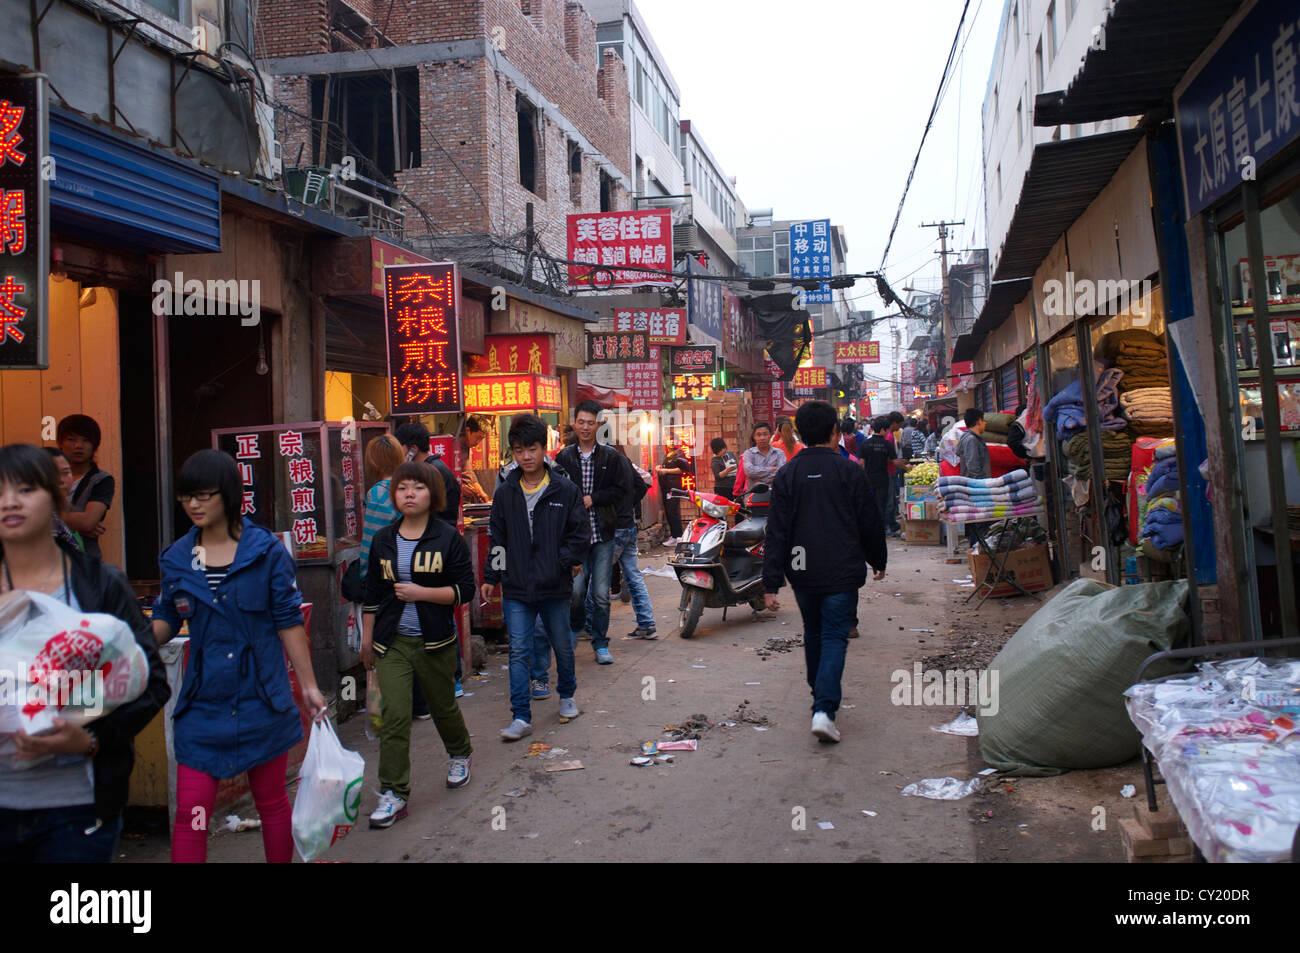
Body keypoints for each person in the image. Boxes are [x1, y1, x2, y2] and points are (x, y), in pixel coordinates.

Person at [152, 450, 327, 863]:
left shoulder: (265, 552)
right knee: (191, 816)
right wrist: (132, 642)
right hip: (202, 706)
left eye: (203, 495)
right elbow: (165, 617)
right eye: (186, 497)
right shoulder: (177, 559)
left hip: (261, 700)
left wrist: (309, 687)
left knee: (271, 806)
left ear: (228, 494)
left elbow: (288, 621)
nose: (193, 505)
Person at [0, 445, 169, 863]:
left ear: (58, 497)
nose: (9, 501)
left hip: (77, 812)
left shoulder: (98, 585)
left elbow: (151, 682)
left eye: (25, 489)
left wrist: (88, 735)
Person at [762, 403, 887, 745]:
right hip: (841, 566)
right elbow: (870, 521)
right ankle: (824, 708)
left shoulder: (788, 474)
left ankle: (820, 696)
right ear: (834, 431)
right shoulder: (849, 471)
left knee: (814, 631)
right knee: (834, 635)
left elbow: (777, 531)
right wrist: (878, 559)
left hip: (802, 568)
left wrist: (770, 582)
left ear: (800, 433)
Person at [361, 461, 476, 828]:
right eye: (402, 488)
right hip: (392, 642)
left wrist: (421, 593)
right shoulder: (383, 540)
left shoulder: (447, 539)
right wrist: (367, 639)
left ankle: (460, 753)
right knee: (394, 716)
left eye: (418, 487)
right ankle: (394, 792)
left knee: (442, 707)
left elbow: (464, 591)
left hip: (435, 641)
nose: (409, 494)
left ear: (432, 495)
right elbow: (373, 593)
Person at [482, 415, 589, 741]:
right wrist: (492, 575)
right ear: (513, 452)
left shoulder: (564, 489)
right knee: (519, 650)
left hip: (554, 585)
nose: (526, 456)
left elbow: (579, 532)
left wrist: (565, 562)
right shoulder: (506, 493)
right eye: (519, 450)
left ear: (544, 448)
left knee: (561, 645)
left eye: (532, 448)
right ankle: (520, 716)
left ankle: (567, 696)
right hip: (516, 586)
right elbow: (497, 537)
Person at [555, 400, 629, 666]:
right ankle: (577, 627)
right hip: (574, 537)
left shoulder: (610, 456)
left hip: (602, 534)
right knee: (574, 592)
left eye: (591, 423)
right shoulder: (564, 457)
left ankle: (600, 642)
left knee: (600, 594)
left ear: (599, 425)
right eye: (581, 422)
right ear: (575, 423)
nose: (585, 427)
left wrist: (593, 499)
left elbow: (621, 490)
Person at [394, 423, 464, 697]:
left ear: (411, 449)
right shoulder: (439, 468)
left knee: (439, 615)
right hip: (437, 548)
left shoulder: (431, 472)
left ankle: (452, 677)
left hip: (434, 550)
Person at [608, 449, 656, 639]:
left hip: (615, 528)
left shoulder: (607, 463)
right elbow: (643, 485)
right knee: (634, 577)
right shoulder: (626, 462)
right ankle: (647, 624)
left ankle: (587, 625)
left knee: (596, 579)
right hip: (629, 526)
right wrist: (629, 504)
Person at [57, 415, 113, 561]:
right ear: (60, 443)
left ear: (95, 445)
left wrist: (46, 519)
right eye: (71, 439)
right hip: (48, 560)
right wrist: (75, 524)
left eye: (86, 440)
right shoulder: (46, 474)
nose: (78, 446)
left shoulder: (101, 480)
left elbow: (88, 522)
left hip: (84, 560)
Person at [959, 408, 992, 547]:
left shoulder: (968, 438)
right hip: (976, 488)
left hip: (973, 486)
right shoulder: (971, 439)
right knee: (980, 524)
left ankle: (977, 552)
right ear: (978, 421)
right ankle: (978, 553)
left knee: (978, 524)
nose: (985, 423)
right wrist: (982, 487)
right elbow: (973, 466)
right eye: (983, 420)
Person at [44, 448, 84, 552]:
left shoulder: (57, 516)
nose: (61, 480)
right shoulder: (44, 523)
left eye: (66, 472)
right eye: (53, 474)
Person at [656, 442, 694, 545]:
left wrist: (666, 470)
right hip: (665, 487)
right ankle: (673, 535)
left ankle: (679, 536)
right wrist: (659, 468)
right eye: (668, 439)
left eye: (673, 440)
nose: (671, 442)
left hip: (674, 487)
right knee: (668, 511)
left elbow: (681, 470)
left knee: (673, 510)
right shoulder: (666, 454)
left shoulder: (679, 454)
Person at [458, 416, 492, 504]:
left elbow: (469, 473)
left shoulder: (467, 448)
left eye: (481, 439)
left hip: (466, 501)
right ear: (468, 430)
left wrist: (480, 492)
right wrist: (460, 488)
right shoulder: (453, 447)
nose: (478, 442)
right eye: (478, 437)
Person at [740, 422, 785, 488]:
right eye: (759, 435)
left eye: (765, 434)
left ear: (770, 435)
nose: (762, 438)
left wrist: (761, 480)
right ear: (754, 437)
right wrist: (771, 469)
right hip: (754, 495)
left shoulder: (779, 453)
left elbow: (781, 473)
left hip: (774, 494)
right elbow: (750, 471)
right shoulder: (749, 453)